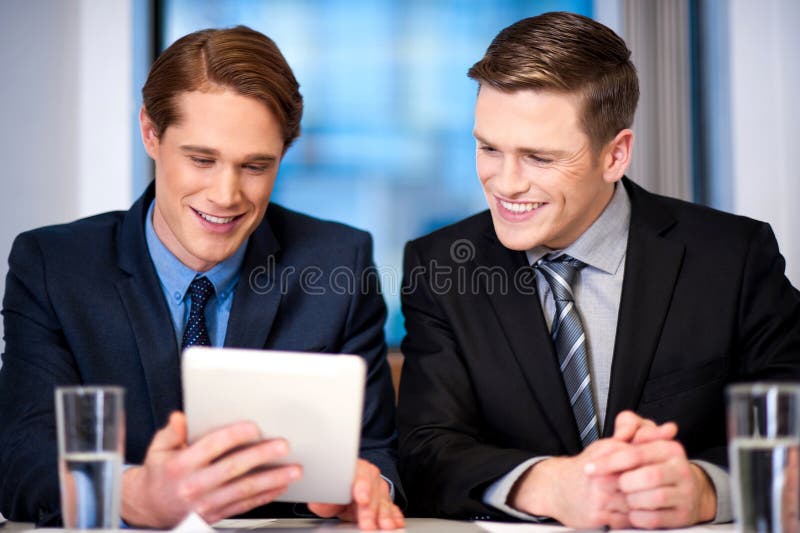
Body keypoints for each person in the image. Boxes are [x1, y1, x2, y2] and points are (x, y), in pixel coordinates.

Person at [397, 11, 800, 529]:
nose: (505, 183)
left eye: (539, 157)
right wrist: (548, 486)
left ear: (615, 155)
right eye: (488, 148)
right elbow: (425, 450)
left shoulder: (732, 256)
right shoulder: (440, 266)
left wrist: (707, 489)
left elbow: (790, 413)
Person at [0, 26, 404, 530]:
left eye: (255, 166)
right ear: (151, 133)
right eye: (201, 159)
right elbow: (21, 463)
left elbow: (376, 453)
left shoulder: (338, 264)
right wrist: (133, 494)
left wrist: (363, 489)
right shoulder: (54, 266)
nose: (226, 195)